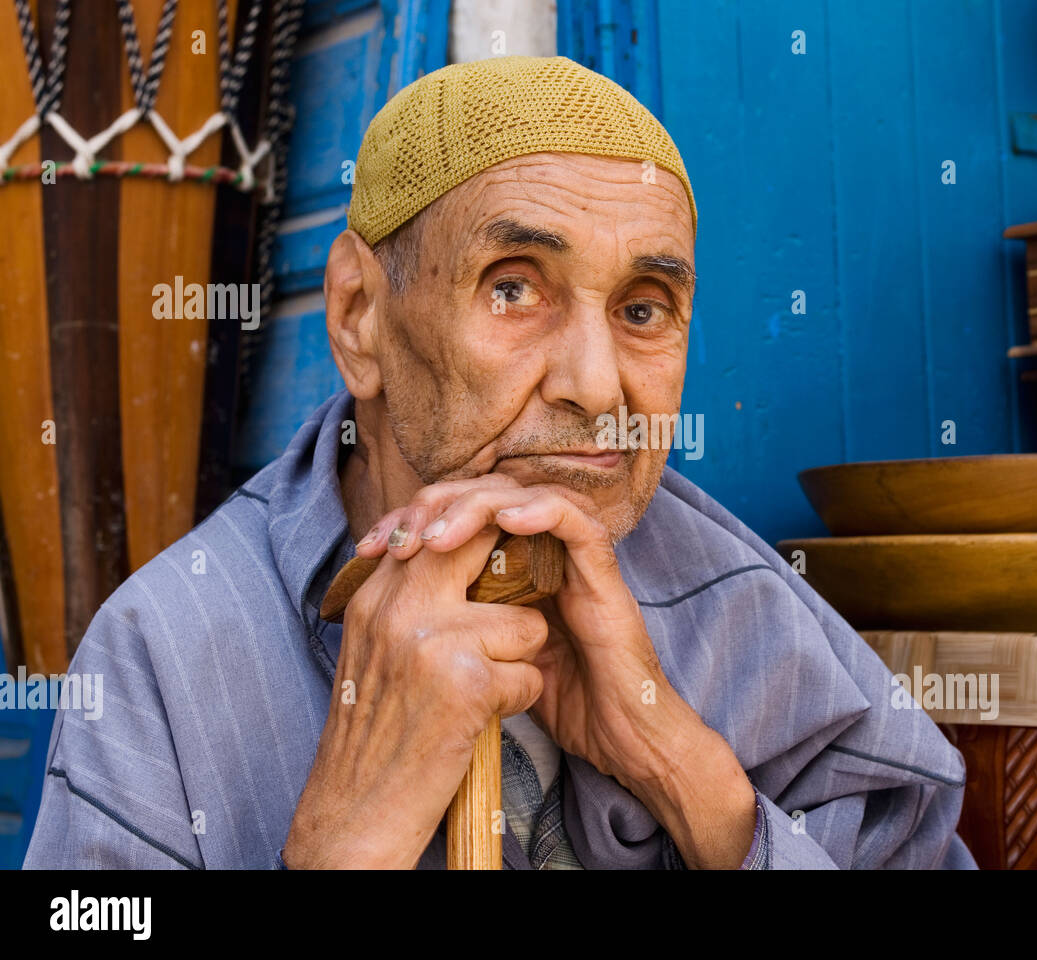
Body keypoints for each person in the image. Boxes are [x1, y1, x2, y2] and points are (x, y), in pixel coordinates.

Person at [24, 55, 974, 870]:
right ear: (361, 316)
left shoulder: (741, 611)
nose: (599, 389)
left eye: (643, 309)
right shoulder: (169, 651)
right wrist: (349, 840)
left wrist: (691, 778)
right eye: (515, 289)